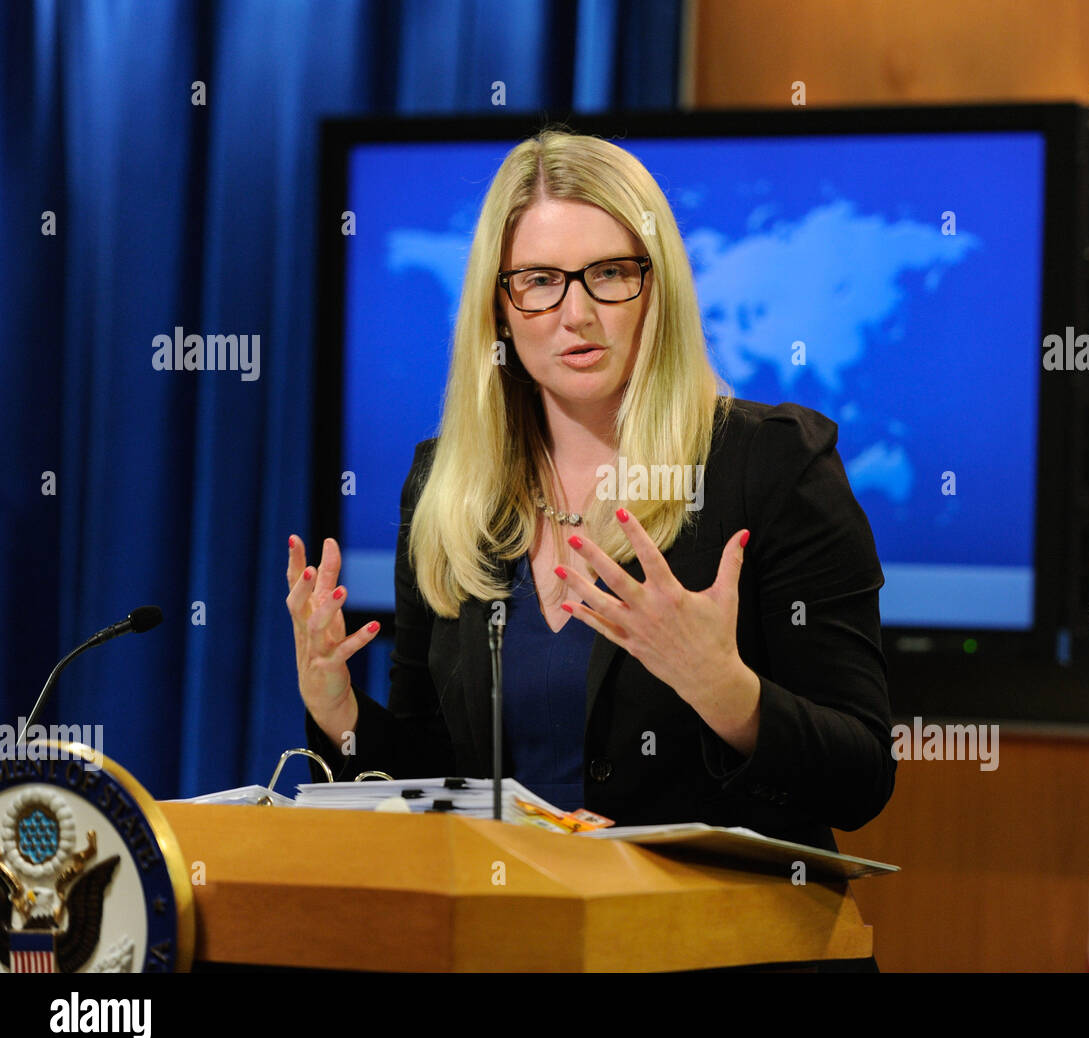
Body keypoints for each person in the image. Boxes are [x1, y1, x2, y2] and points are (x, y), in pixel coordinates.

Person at [285, 127, 894, 850]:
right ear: (499, 307)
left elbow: (861, 777)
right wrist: (341, 713)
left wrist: (722, 687)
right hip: (521, 939)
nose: (576, 314)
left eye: (608, 273)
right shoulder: (446, 487)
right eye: (540, 281)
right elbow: (440, 776)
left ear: (655, 286)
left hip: (717, 948)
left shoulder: (771, 464)